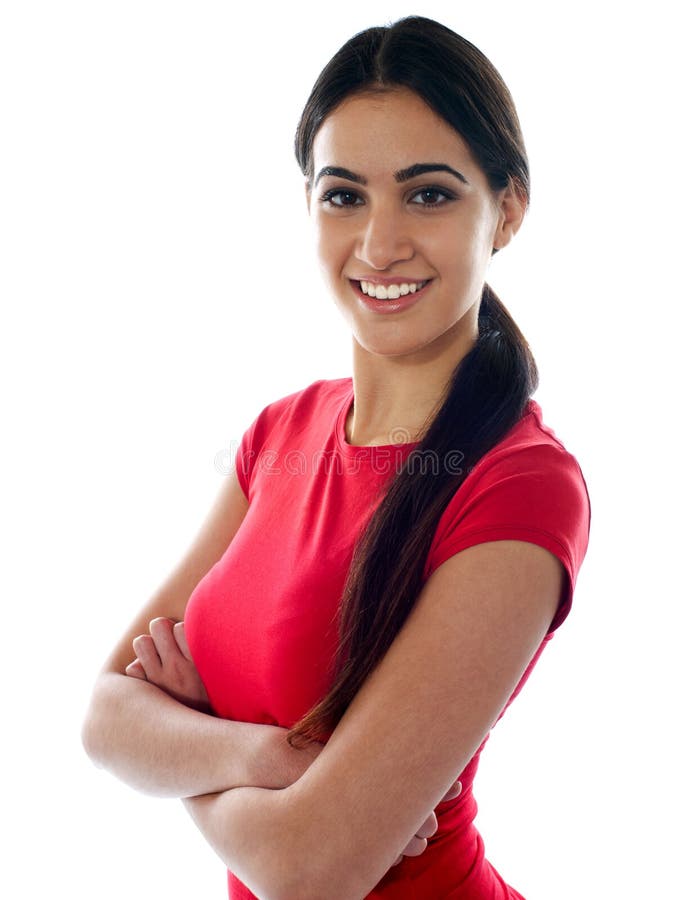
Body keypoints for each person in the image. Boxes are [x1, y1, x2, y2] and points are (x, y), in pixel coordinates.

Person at [82, 15, 591, 900]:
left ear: (505, 209)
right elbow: (104, 718)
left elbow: (312, 868)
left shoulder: (522, 488)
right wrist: (267, 757)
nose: (379, 244)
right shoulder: (280, 433)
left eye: (428, 194)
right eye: (344, 194)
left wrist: (185, 749)